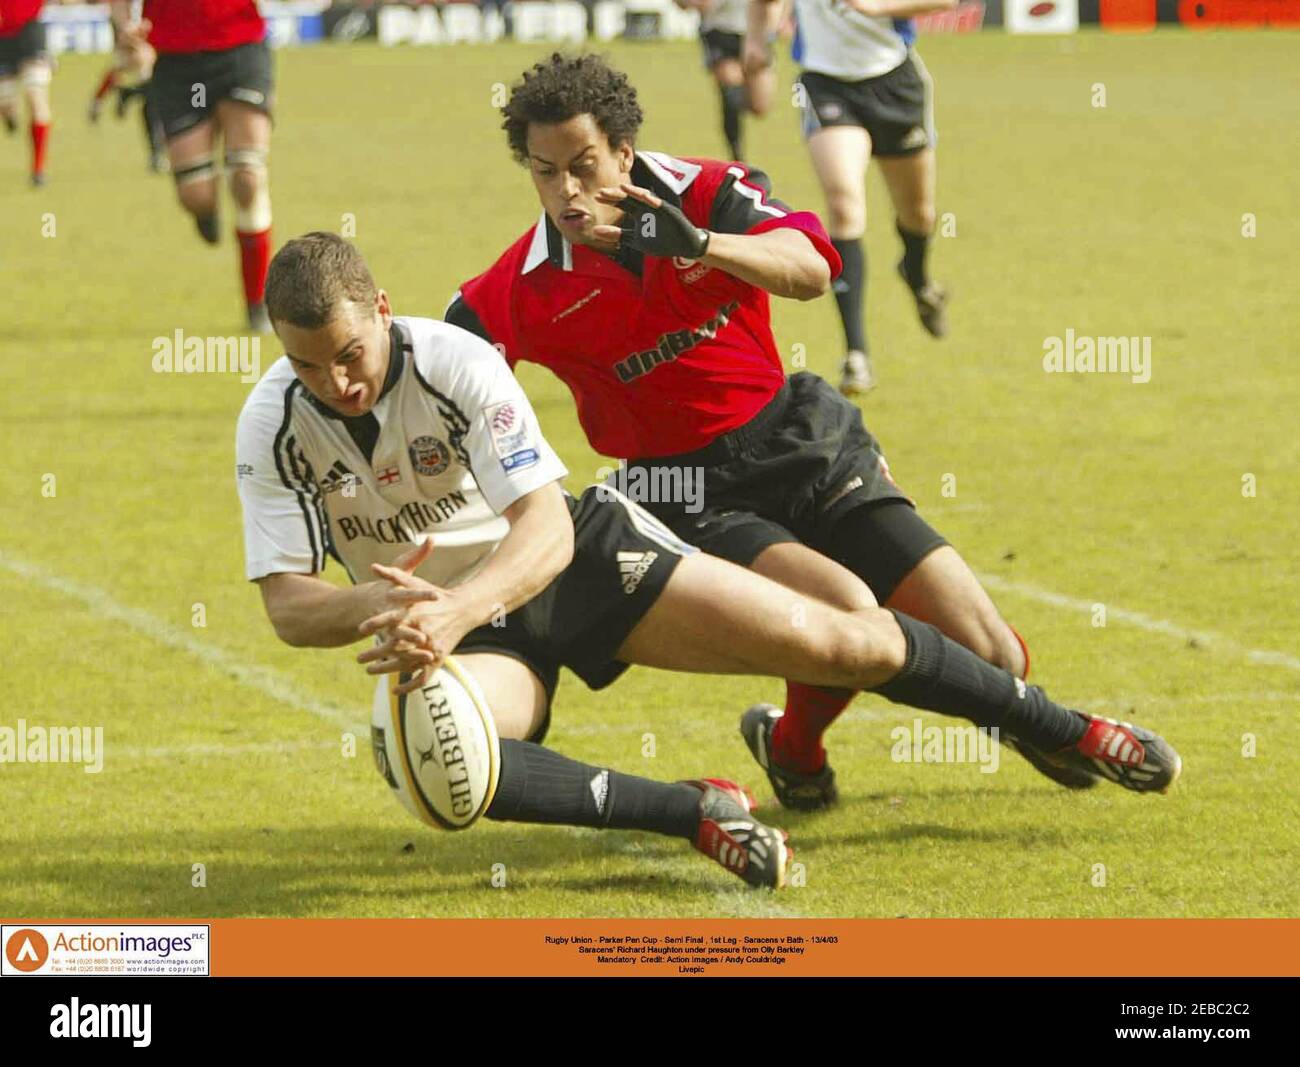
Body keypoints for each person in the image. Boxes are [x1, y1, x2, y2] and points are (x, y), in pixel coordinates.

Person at [237, 234, 1179, 902]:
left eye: (350, 355)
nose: (337, 384)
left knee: (839, 640)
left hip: (574, 560)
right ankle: (693, 812)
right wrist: (384, 606)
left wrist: (450, 606)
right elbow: (287, 603)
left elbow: (545, 530)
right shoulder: (272, 425)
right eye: (309, 366)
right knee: (446, 773)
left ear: (383, 312)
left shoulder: (453, 362)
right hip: (469, 629)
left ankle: (1066, 727)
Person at [444, 53, 1141, 811]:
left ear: (624, 151)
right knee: (848, 612)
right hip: (686, 489)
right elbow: (442, 371)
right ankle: (826, 746)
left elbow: (810, 270)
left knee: (996, 653)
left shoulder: (707, 191)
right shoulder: (522, 285)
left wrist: (699, 244)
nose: (568, 193)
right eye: (545, 172)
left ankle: (789, 744)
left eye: (584, 166)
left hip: (799, 439)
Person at [747, 0, 953, 393]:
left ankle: (916, 275)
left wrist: (878, 7)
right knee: (843, 205)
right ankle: (856, 354)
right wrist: (757, 40)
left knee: (919, 214)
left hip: (895, 82)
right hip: (826, 85)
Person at [109, 0, 275, 331]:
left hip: (241, 49)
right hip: (177, 63)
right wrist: (126, 27)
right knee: (195, 195)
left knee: (247, 179)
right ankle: (205, 210)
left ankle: (258, 303)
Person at [673, 0, 776, 162]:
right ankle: (737, 158)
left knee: (760, 106)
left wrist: (776, 21)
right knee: (731, 91)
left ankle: (737, 99)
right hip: (719, 31)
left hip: (756, 33)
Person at [0, 0, 52, 187]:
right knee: (6, 103)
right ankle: (9, 114)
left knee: (36, 96)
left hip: (31, 32)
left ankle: (38, 170)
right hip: (3, 38)